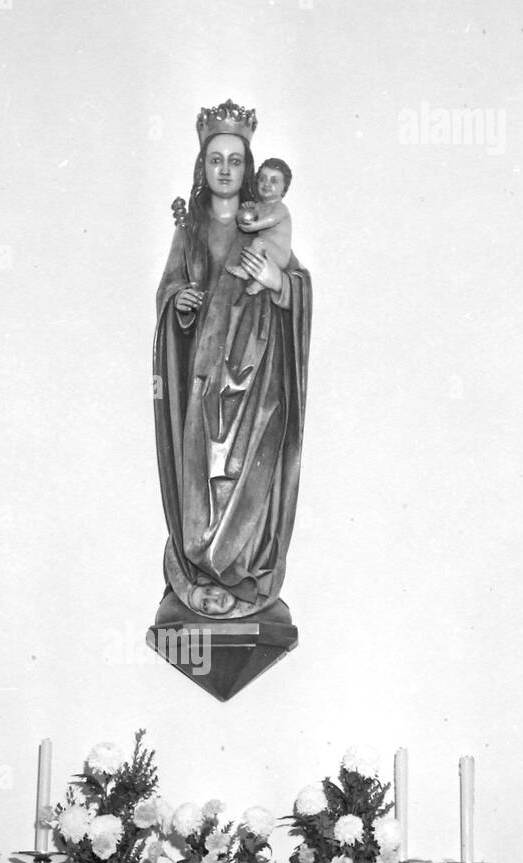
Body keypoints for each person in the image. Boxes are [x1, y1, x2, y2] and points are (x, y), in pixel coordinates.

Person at [153, 101, 311, 622]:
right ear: (202, 167)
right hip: (203, 379)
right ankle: (202, 566)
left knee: (247, 470)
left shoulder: (263, 225)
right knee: (202, 472)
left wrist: (276, 284)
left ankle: (241, 565)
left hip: (257, 378)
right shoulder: (192, 230)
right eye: (215, 159)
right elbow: (170, 291)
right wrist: (178, 303)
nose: (226, 169)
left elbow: (297, 284)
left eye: (236, 160)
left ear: (249, 168)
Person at [228, 158, 294, 297]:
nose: (267, 184)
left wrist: (254, 226)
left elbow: (271, 220)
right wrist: (247, 208)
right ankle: (259, 284)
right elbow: (251, 212)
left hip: (279, 255)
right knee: (258, 249)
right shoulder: (259, 206)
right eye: (262, 179)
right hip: (265, 253)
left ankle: (245, 271)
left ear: (284, 187)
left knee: (258, 243)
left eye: (274, 181)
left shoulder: (281, 208)